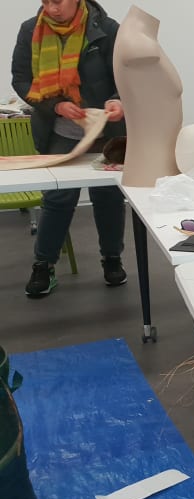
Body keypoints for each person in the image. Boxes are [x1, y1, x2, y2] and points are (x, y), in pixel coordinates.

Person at [11, 0, 127, 297]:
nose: (51, 8)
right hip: (59, 131)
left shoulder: (107, 29)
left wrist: (117, 100)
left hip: (104, 128)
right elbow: (21, 80)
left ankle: (112, 259)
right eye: (45, 1)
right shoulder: (30, 30)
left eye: (58, 1)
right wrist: (56, 105)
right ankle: (43, 265)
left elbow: (123, 77)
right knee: (58, 198)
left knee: (108, 196)